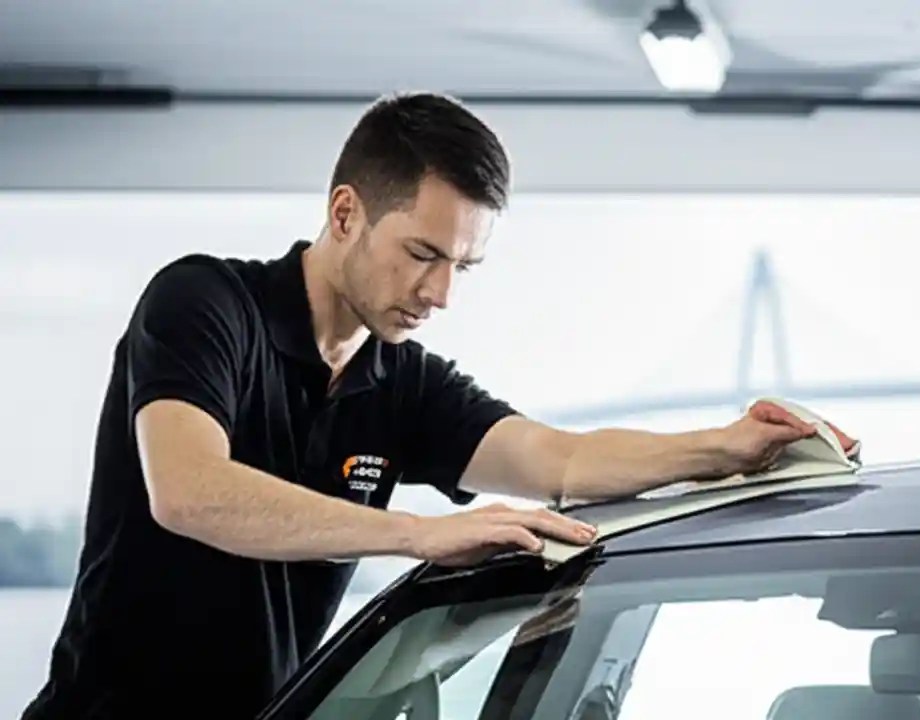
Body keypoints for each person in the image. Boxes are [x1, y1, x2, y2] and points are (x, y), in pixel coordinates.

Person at [22, 92, 858, 719]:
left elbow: (560, 461)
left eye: (464, 265)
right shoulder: (204, 303)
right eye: (422, 254)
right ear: (345, 213)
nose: (440, 293)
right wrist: (419, 536)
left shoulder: (401, 382)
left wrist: (726, 445)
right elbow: (189, 491)